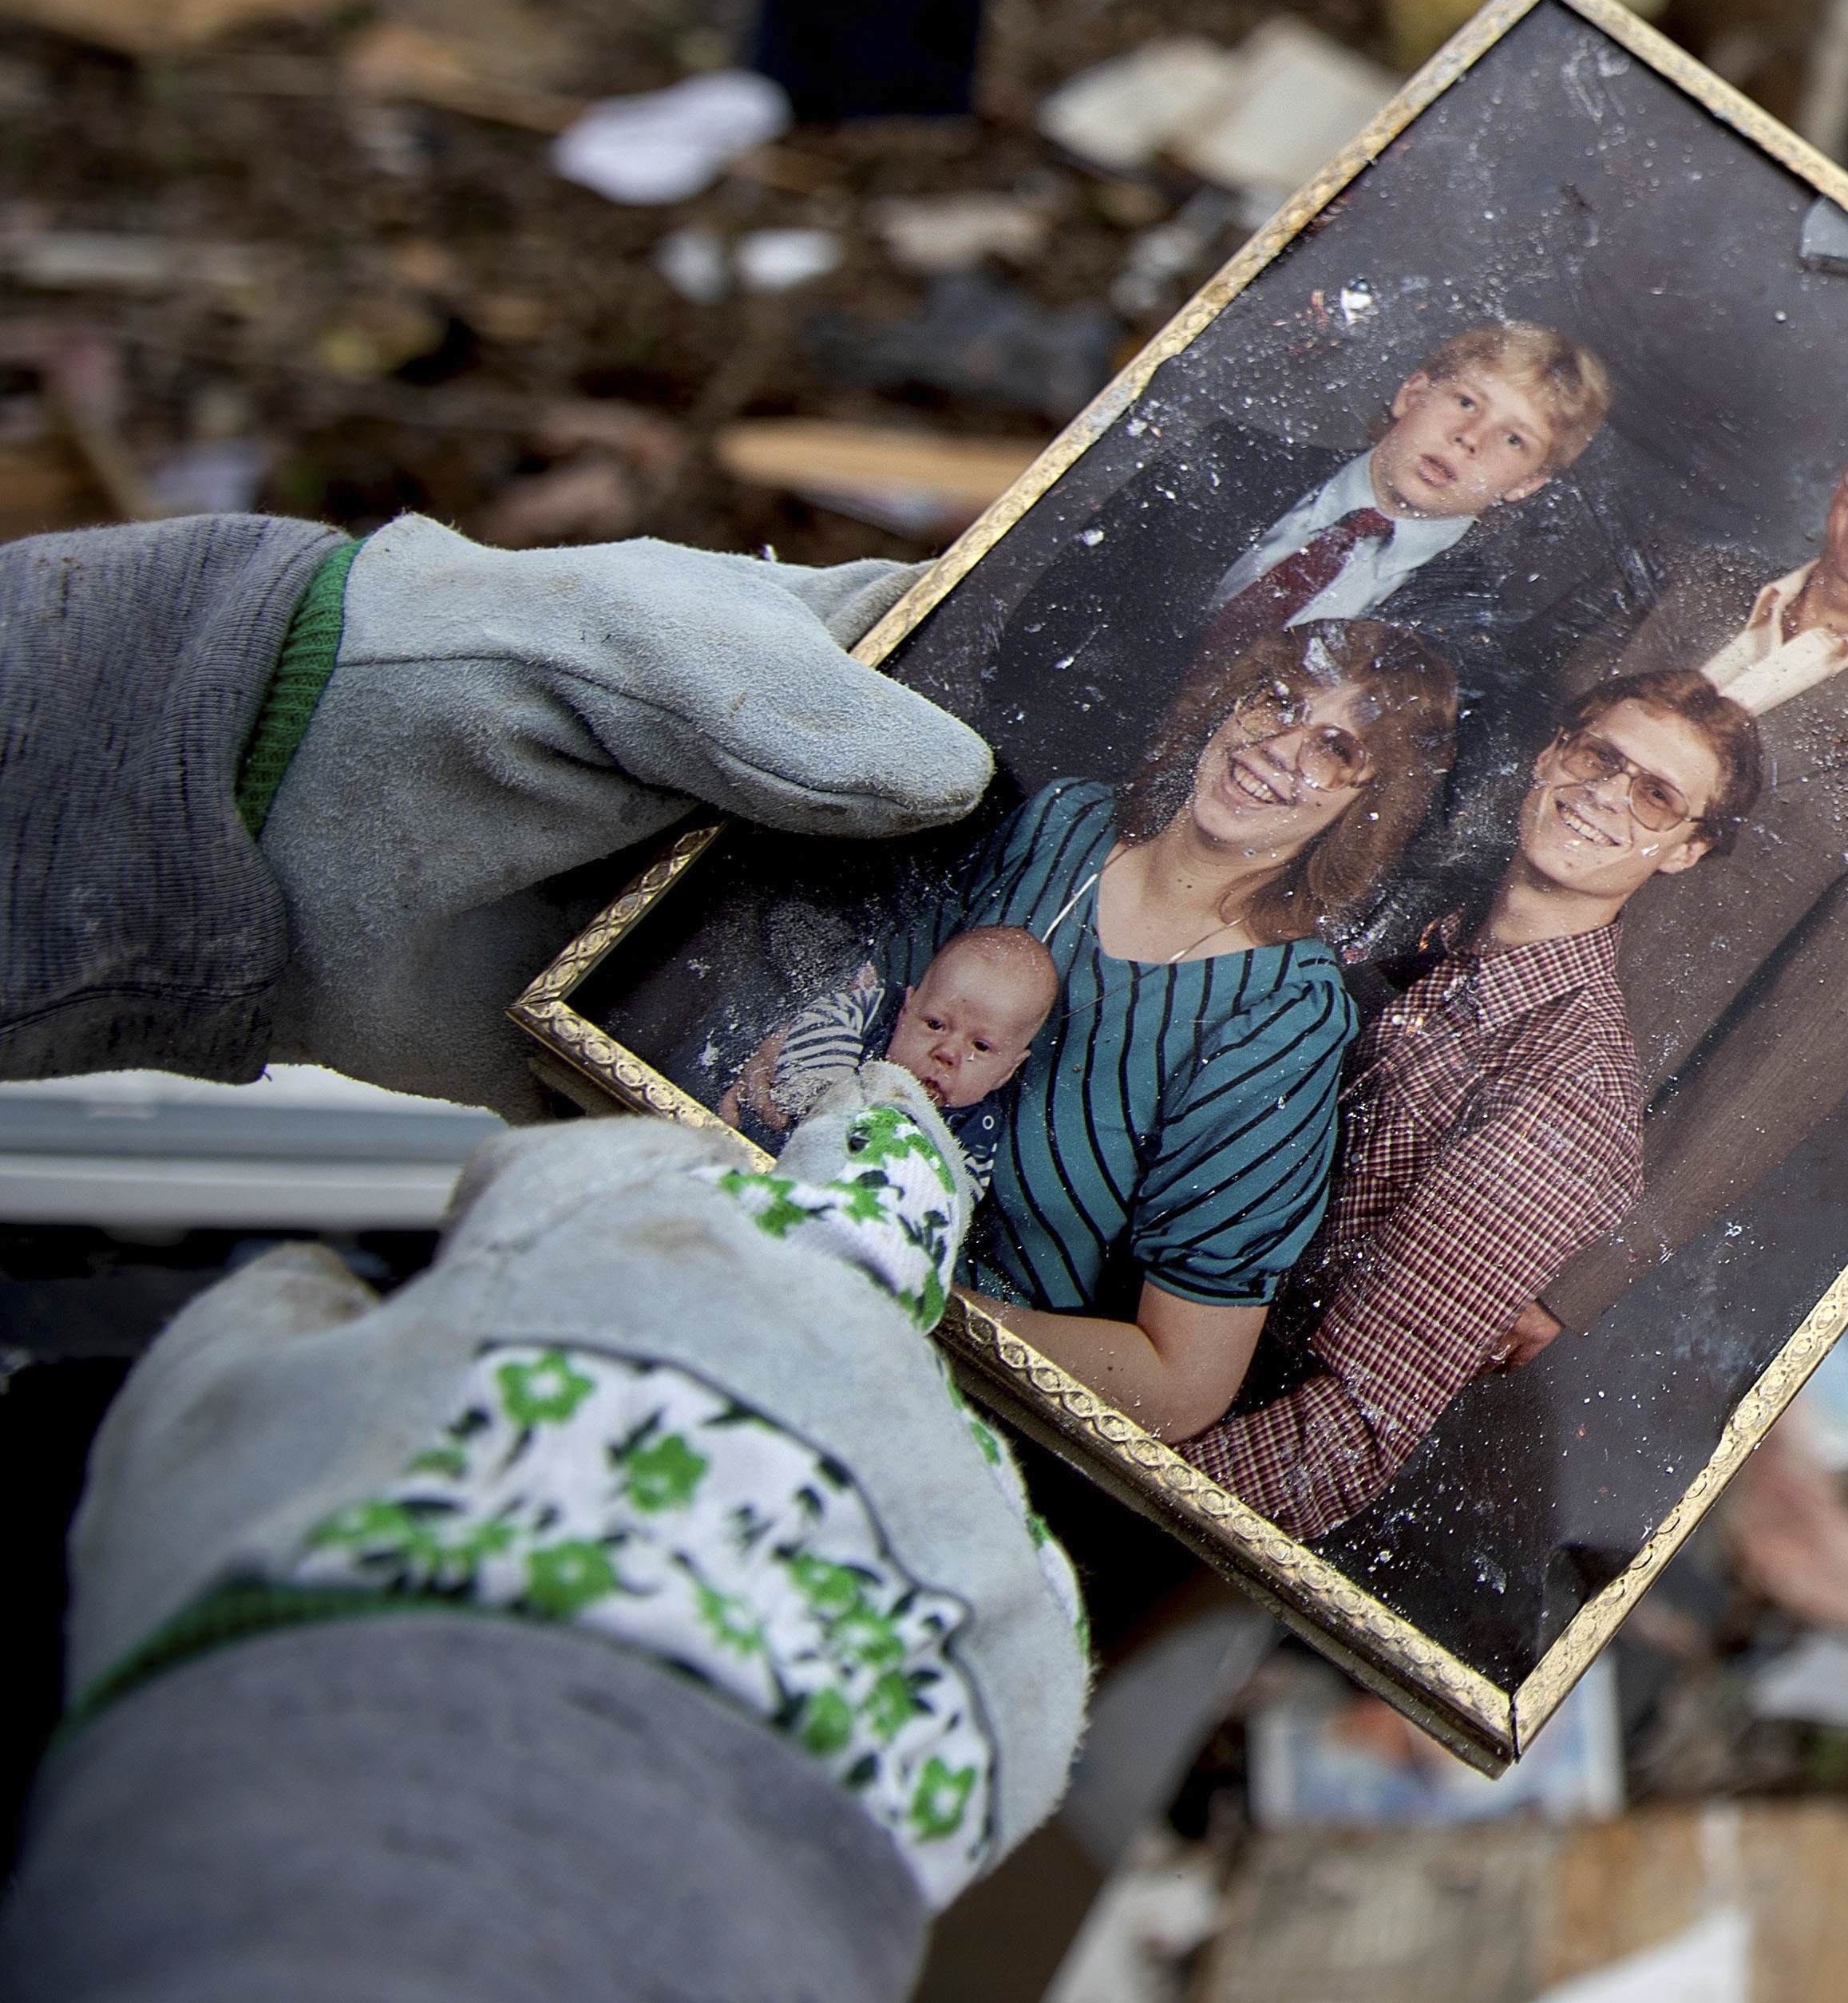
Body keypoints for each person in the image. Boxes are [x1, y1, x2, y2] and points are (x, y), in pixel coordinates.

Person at [0, 512, 1082, 2003]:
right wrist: (554, 1768)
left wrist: (205, 729)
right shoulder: (838, 1045)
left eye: (987, 1047)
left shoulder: (1007, 1164)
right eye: (938, 1027)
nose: (949, 1052)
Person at [1185, 671, 1761, 1538]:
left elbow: (1341, 1440)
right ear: (1551, 753)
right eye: (1600, 756)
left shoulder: (1562, 1097)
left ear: (1686, 848)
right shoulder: (1430, 926)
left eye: (1654, 796)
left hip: (1187, 1428)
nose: (1605, 796)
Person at [1522, 408, 1848, 1345]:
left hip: (1548, 1114)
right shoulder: (1690, 581)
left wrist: (1584, 1275)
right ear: (1846, 475)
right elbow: (1508, 770)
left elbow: (1802, 1049)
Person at [916, 615, 1454, 1438]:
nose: (1281, 748)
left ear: (1366, 808)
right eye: (1278, 701)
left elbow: (1181, 1383)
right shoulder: (1062, 823)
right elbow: (861, 1016)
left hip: (951, 1394)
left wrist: (907, 1304)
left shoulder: (1283, 1015)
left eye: (1335, 747)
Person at [964, 315, 1636, 791]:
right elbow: (1055, 609)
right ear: (1412, 393)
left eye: (1513, 440)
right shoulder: (1228, 459)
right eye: (1464, 401)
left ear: (1526, 485)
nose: (1467, 439)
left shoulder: (1472, 632)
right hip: (1020, 753)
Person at [725, 919, 1063, 1207]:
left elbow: (955, 1200)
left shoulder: (973, 1128)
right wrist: (830, 1090)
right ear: (907, 1009)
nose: (946, 1052)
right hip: (758, 1159)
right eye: (934, 1024)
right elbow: (824, 1016)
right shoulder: (878, 1013)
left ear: (1006, 1072)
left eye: (980, 1046)